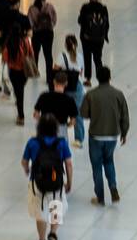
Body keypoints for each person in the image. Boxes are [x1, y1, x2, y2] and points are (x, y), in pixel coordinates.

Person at [21, 113, 73, 240]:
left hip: (37, 182)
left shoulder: (32, 142)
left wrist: (27, 171)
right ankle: (53, 233)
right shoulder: (61, 142)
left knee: (40, 212)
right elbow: (68, 164)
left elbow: (24, 161)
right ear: (55, 128)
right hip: (56, 182)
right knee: (56, 206)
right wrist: (69, 182)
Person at [80, 65, 129, 205]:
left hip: (96, 135)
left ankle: (100, 197)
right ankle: (113, 187)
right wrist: (124, 133)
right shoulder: (118, 94)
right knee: (109, 160)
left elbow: (83, 113)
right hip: (113, 135)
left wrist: (94, 114)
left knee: (96, 166)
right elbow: (125, 115)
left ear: (97, 78)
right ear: (109, 78)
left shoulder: (91, 94)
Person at [3, 17, 34, 126]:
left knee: (18, 91)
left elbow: (5, 58)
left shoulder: (9, 42)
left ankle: (21, 116)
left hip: (13, 71)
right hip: (24, 70)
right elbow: (31, 54)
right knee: (20, 90)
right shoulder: (25, 41)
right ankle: (20, 110)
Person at [32, 69, 77, 141]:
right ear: (66, 83)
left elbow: (36, 114)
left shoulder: (44, 96)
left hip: (45, 128)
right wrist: (66, 125)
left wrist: (43, 121)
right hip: (61, 130)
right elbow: (73, 121)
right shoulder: (70, 100)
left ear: (54, 81)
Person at [78, 0, 109, 86]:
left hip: (86, 38)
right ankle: (101, 80)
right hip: (99, 39)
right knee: (98, 59)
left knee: (87, 58)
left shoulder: (85, 7)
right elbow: (107, 23)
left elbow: (80, 21)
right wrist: (104, 35)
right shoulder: (103, 8)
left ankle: (88, 79)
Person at [59, 34, 86, 146]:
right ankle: (79, 139)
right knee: (78, 113)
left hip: (65, 86)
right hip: (77, 86)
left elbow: (55, 69)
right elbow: (81, 71)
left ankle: (62, 137)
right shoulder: (80, 56)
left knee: (62, 112)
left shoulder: (62, 56)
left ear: (65, 44)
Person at [28, 0, 57, 89]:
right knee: (48, 55)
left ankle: (35, 72)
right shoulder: (49, 7)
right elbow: (54, 19)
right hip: (48, 33)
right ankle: (49, 78)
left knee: (35, 52)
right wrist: (50, 26)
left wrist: (36, 28)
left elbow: (30, 22)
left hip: (37, 34)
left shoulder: (32, 8)